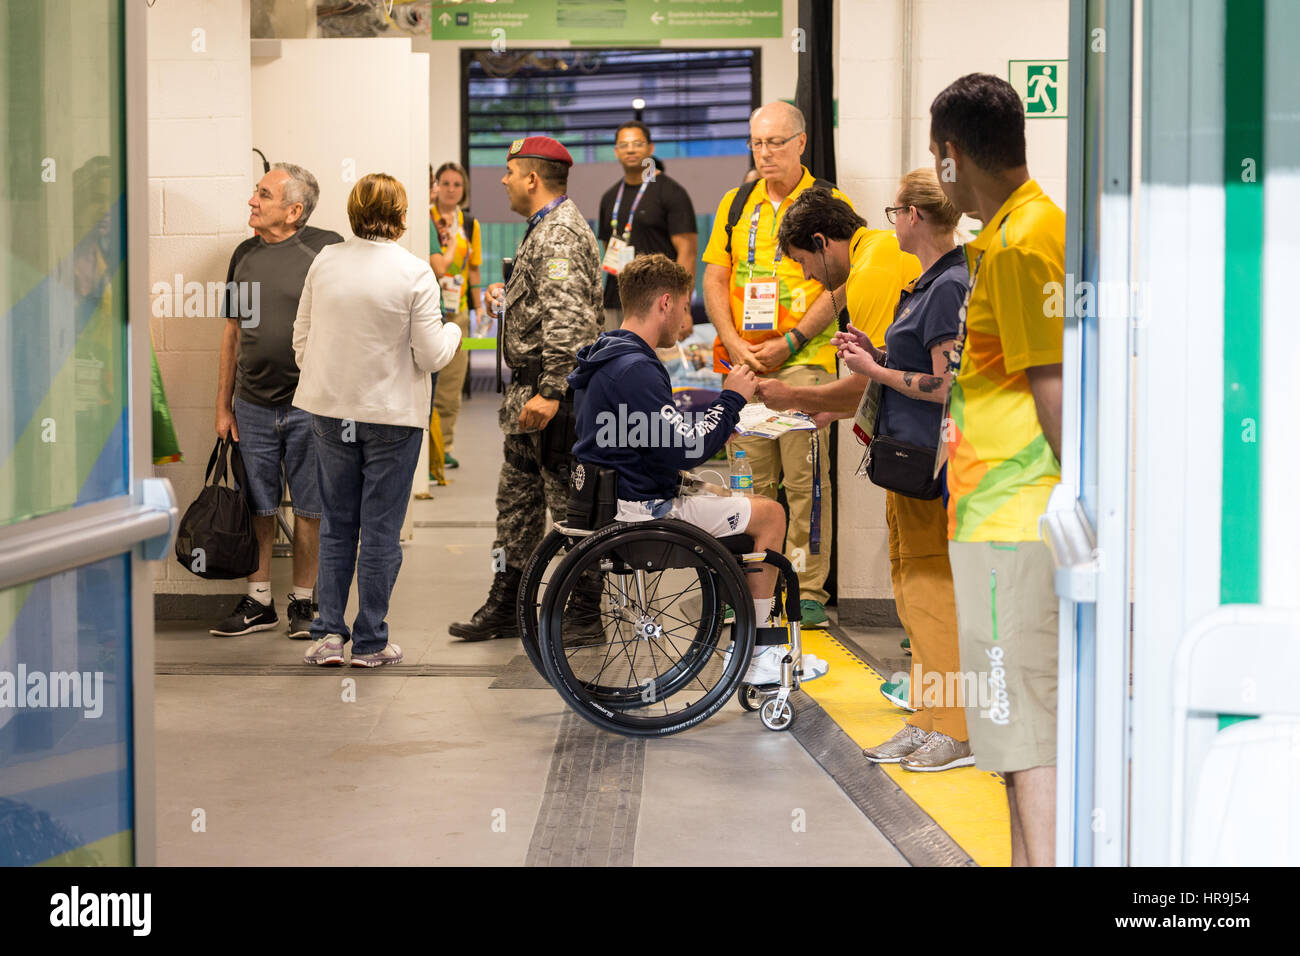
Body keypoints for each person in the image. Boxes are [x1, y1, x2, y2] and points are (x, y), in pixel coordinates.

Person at [763, 173, 973, 772]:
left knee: (933, 593)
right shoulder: (922, 281)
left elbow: (946, 385)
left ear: (913, 216)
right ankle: (929, 718)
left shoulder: (948, 285)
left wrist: (874, 374)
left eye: (894, 212)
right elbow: (908, 366)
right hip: (904, 457)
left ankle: (956, 728)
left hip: (931, 462)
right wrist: (873, 355)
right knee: (913, 589)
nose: (888, 222)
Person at [568, 254, 826, 682]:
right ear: (665, 303)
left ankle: (745, 621)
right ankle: (759, 653)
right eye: (687, 307)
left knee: (736, 498)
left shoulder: (605, 358)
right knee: (770, 514)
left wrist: (719, 424)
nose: (687, 321)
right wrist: (731, 399)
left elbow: (648, 435)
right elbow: (687, 448)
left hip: (610, 499)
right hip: (643, 513)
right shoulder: (637, 368)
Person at [931, 73, 1065, 865]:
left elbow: (1053, 390)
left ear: (951, 157)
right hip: (994, 521)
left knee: (1026, 732)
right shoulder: (1019, 231)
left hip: (1014, 524)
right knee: (1013, 740)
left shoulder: (1019, 245)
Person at [295, 173, 461, 667]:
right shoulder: (414, 272)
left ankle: (327, 636)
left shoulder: (324, 261)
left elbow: (300, 338)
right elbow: (431, 356)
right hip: (392, 417)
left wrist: (329, 378)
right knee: (381, 531)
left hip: (330, 411)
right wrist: (452, 330)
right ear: (402, 218)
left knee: (336, 526)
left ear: (352, 213)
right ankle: (370, 642)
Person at [701, 101, 855, 627]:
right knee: (750, 483)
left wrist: (791, 341)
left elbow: (842, 280)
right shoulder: (736, 201)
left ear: (801, 143)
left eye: (776, 142)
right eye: (757, 143)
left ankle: (807, 587)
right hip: (746, 367)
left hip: (804, 361)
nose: (765, 153)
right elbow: (716, 277)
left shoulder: (827, 202)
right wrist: (731, 340)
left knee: (805, 478)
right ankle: (751, 583)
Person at [448, 136, 603, 643]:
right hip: (528, 397)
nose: (503, 180)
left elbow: (570, 322)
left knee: (569, 508)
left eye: (509, 172)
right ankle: (509, 603)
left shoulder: (558, 234)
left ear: (532, 179)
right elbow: (546, 303)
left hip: (551, 397)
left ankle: (583, 613)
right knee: (516, 504)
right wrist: (507, 295)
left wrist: (554, 391)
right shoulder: (543, 229)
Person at [211, 163, 342, 639]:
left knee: (310, 508)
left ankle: (304, 604)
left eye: (263, 194)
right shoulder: (243, 255)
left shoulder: (326, 250)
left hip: (311, 405)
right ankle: (259, 599)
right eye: (255, 192)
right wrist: (222, 406)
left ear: (293, 210)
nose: (252, 201)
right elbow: (232, 332)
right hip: (252, 404)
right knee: (258, 506)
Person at [597, 121, 698, 331]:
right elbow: (608, 248)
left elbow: (687, 252)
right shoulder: (609, 198)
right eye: (624, 145)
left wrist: (683, 308)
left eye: (637, 143)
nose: (631, 149)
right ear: (616, 151)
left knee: (656, 364)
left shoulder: (672, 193)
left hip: (660, 305)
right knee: (616, 362)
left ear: (650, 148)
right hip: (616, 303)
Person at [428, 161, 482, 470]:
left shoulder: (470, 223)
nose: (450, 189)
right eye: (445, 183)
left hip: (457, 309)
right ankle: (424, 451)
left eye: (456, 185)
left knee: (450, 388)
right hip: (428, 309)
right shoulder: (426, 218)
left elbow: (472, 268)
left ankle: (444, 447)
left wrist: (478, 311)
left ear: (464, 190)